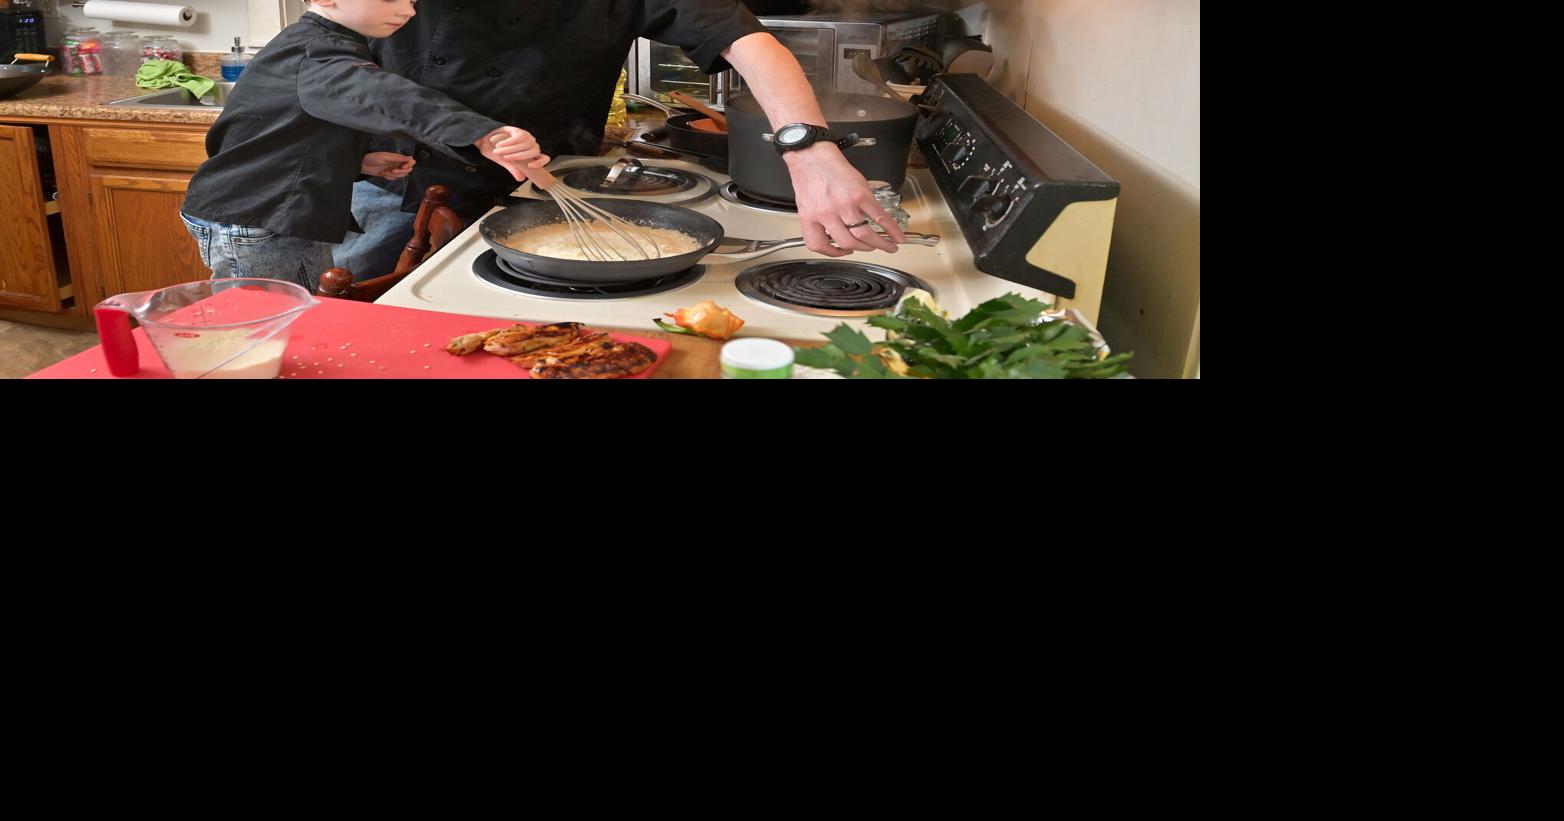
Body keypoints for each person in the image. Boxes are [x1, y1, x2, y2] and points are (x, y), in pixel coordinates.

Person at [333, 0, 907, 279]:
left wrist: (811, 153)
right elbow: (328, 53)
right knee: (357, 307)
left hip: (546, 182)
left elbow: (745, 40)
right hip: (401, 173)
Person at [179, 0, 549, 291]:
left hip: (254, 210)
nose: (407, 10)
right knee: (276, 328)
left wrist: (361, 161)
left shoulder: (318, 45)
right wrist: (481, 133)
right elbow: (390, 97)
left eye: (412, 0)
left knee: (280, 323)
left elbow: (285, 137)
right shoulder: (319, 54)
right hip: (262, 221)